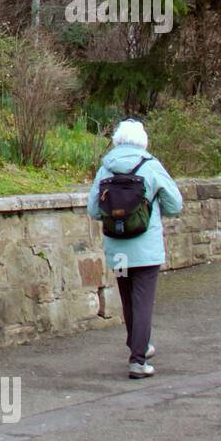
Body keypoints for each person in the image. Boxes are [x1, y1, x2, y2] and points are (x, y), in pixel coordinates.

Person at [86, 118, 184, 379]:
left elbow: (94, 209)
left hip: (117, 245)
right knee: (143, 302)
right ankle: (138, 360)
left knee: (129, 300)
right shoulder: (151, 166)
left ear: (117, 140)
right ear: (143, 141)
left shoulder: (106, 168)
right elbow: (175, 204)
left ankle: (138, 345)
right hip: (146, 246)